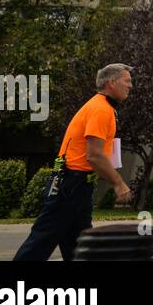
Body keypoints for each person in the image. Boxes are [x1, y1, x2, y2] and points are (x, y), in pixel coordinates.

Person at [14, 64, 134, 261]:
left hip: (75, 183)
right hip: (71, 184)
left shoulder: (100, 106)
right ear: (112, 83)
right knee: (41, 242)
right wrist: (118, 183)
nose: (131, 86)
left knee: (80, 246)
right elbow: (94, 155)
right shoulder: (101, 110)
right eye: (127, 81)